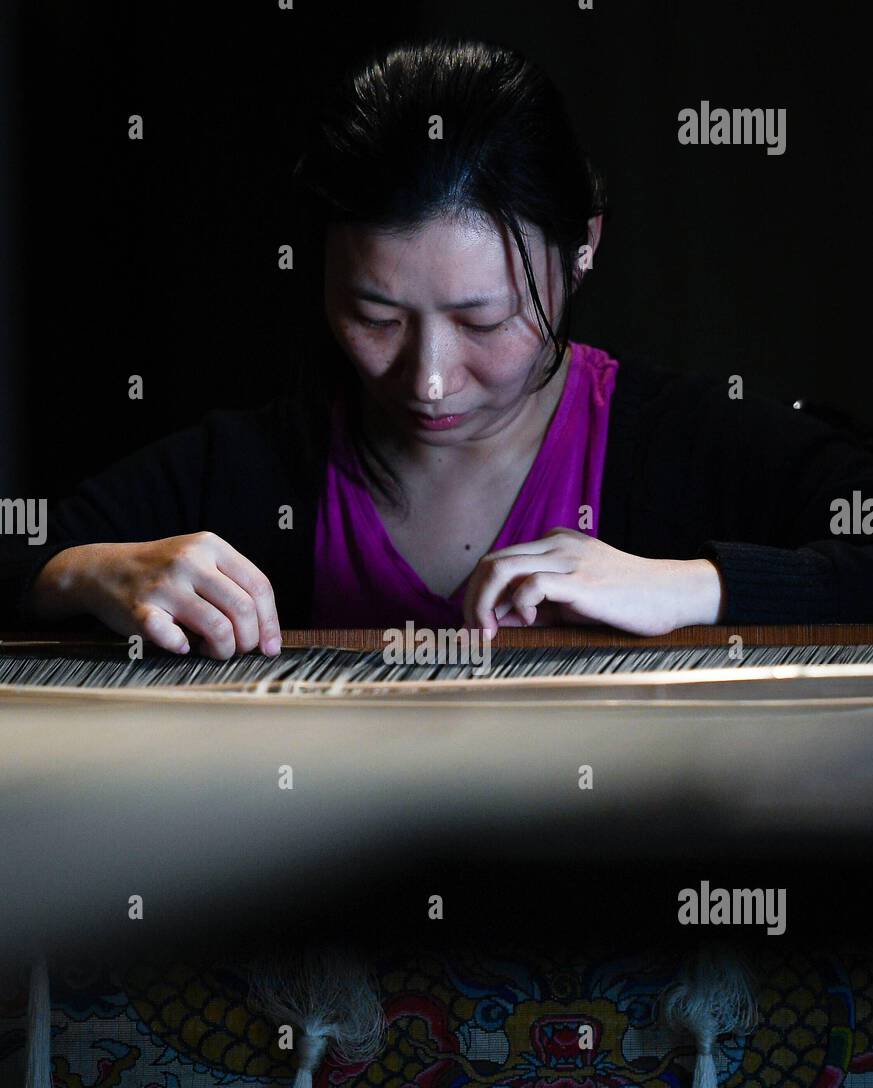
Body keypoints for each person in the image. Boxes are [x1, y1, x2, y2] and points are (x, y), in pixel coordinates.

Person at [2, 37, 872, 660]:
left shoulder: (688, 442)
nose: (426, 380)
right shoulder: (248, 467)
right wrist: (81, 574)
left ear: (582, 250)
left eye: (484, 322)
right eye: (374, 316)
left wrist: (690, 587)